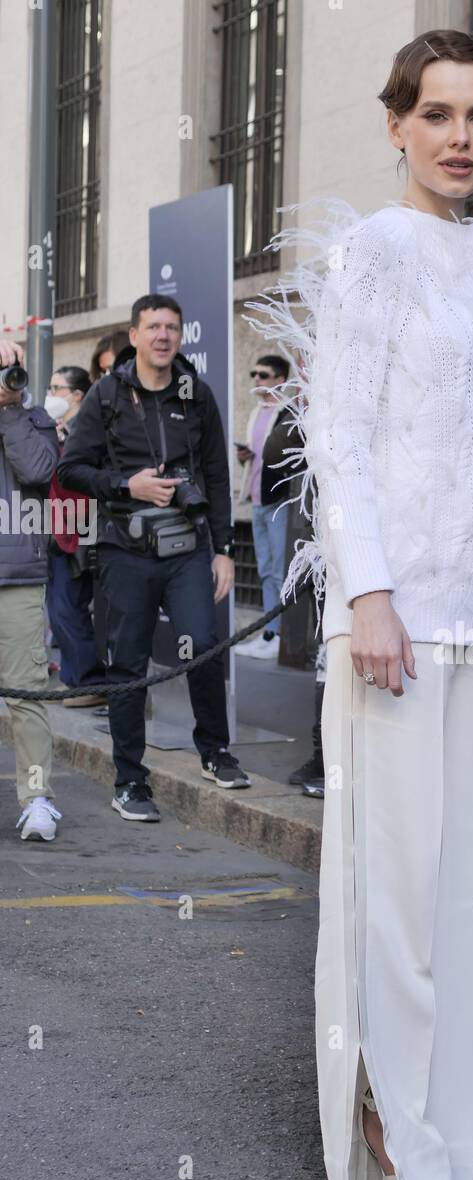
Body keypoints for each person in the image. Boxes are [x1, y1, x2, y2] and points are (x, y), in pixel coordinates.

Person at [247, 28, 473, 1180]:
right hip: (401, 619)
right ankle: (396, 1123)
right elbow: (335, 437)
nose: (462, 137)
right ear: (397, 124)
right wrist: (369, 595)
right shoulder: (376, 253)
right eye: (438, 114)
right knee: (399, 885)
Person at [58, 294, 251, 821]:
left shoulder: (197, 395)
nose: (163, 336)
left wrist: (226, 551)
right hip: (126, 551)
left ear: (180, 335)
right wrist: (128, 485)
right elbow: (71, 469)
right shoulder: (106, 395)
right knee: (127, 661)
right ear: (135, 335)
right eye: (154, 327)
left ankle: (215, 751)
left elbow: (215, 474)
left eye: (172, 327)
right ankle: (130, 781)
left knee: (204, 646)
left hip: (188, 549)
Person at [0, 339, 63, 841]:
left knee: (26, 696)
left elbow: (40, 470)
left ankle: (37, 798)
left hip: (16, 575)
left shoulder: (31, 417)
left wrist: (10, 411)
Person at [44, 366, 107, 708]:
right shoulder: (60, 429)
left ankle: (89, 681)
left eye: (57, 388)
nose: (50, 394)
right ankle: (74, 677)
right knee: (59, 608)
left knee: (68, 606)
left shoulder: (88, 427)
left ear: (77, 395)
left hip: (80, 528)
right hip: (56, 528)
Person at [235, 354, 293, 660]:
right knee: (264, 570)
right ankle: (269, 631)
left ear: (280, 380)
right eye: (254, 373)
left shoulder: (288, 413)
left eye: (264, 374)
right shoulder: (257, 412)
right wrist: (242, 456)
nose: (256, 379)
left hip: (278, 499)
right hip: (256, 499)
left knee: (278, 572)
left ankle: (279, 635)